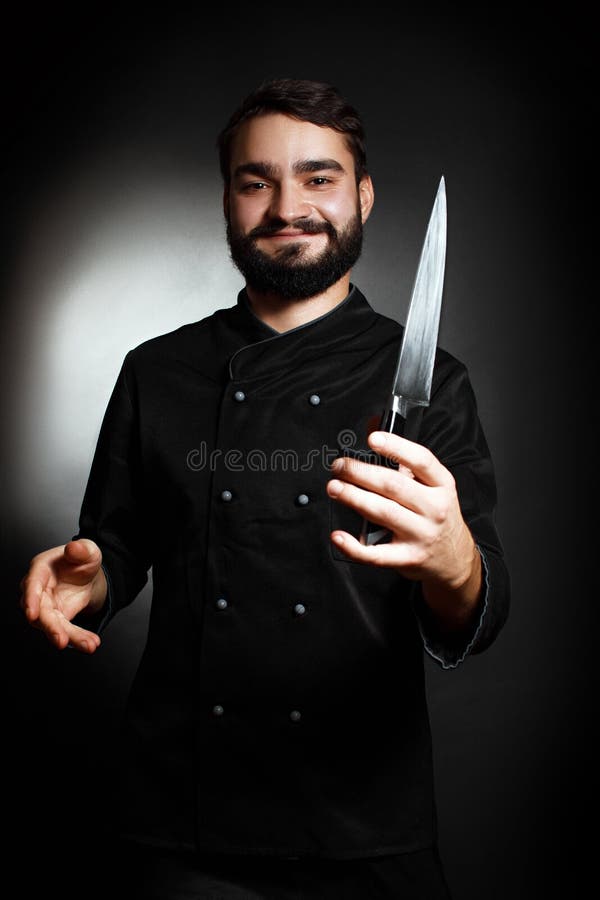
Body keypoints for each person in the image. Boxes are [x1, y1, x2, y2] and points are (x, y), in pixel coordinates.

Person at [19, 78, 510, 899]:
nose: (288, 206)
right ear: (227, 201)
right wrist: (91, 578)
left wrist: (455, 560)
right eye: (257, 181)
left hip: (366, 819)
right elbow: (117, 546)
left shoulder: (429, 382)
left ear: (363, 195)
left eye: (318, 178)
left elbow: (477, 608)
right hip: (186, 817)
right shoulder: (157, 372)